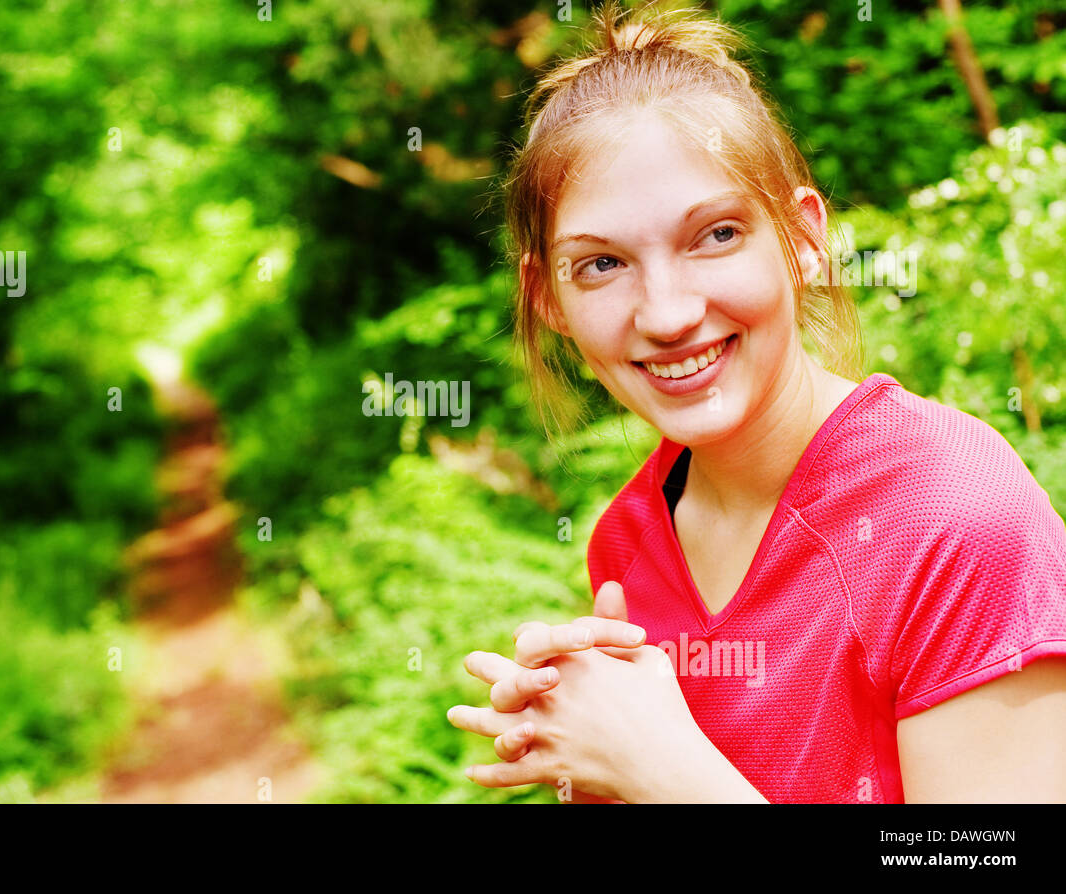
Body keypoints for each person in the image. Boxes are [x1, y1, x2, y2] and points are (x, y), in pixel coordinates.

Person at [445, 1, 1066, 803]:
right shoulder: (628, 542)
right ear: (548, 300)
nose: (665, 314)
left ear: (805, 239)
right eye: (601, 264)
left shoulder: (955, 521)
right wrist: (591, 758)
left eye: (717, 235)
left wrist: (662, 770)